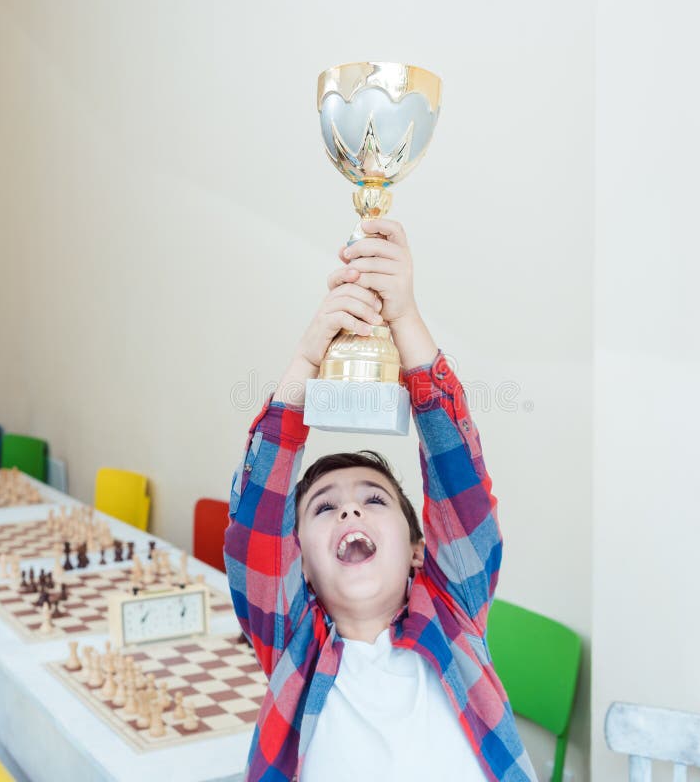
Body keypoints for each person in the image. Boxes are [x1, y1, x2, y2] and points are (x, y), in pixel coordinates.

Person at [224, 219, 538, 782]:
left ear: (419, 550)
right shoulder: (293, 643)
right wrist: (305, 361)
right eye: (323, 507)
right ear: (301, 567)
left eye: (374, 499)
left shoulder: (451, 613)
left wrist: (406, 320)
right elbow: (259, 526)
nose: (350, 511)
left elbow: (456, 480)